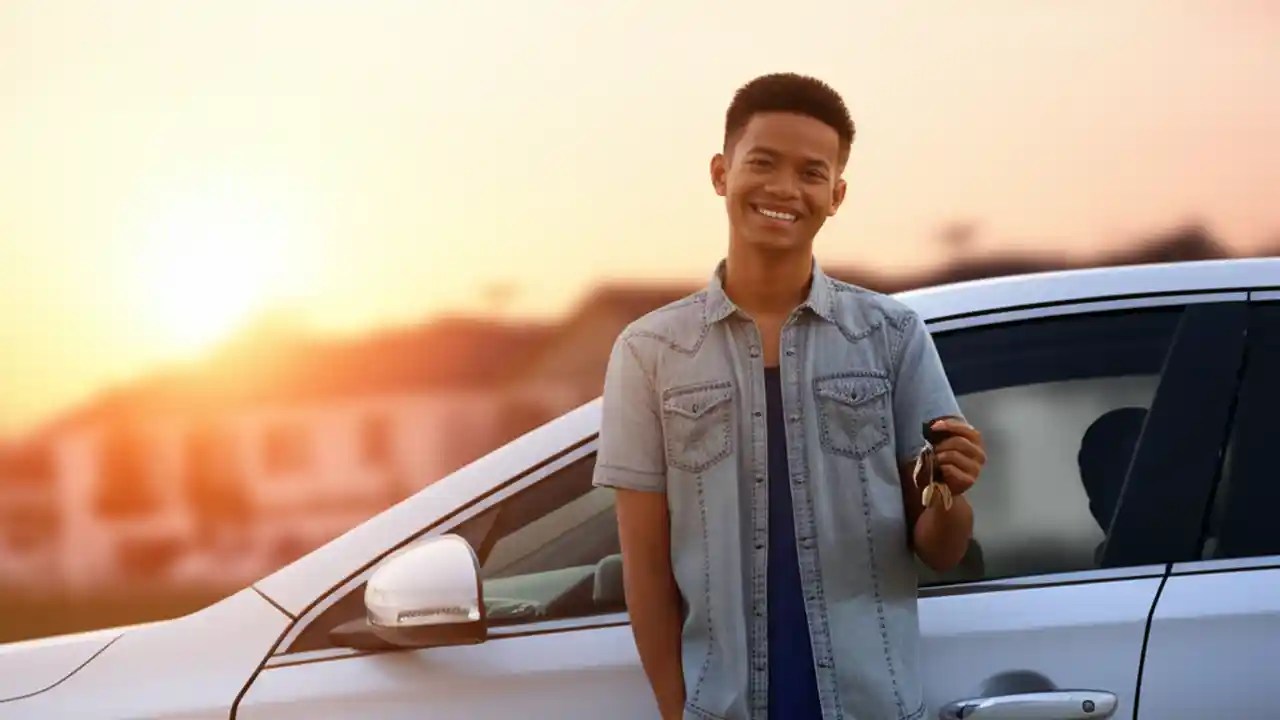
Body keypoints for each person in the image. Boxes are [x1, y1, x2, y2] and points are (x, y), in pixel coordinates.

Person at [591, 72, 987, 720]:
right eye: (763, 163)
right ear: (722, 172)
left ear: (836, 194)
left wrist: (954, 493)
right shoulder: (649, 351)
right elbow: (646, 570)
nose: (784, 189)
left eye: (811, 172)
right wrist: (674, 711)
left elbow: (941, 549)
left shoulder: (891, 336)